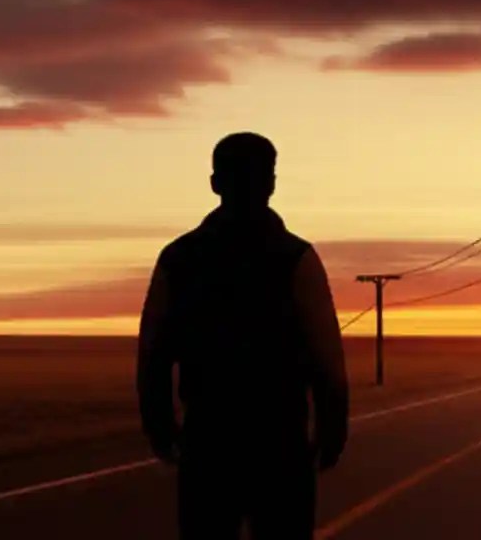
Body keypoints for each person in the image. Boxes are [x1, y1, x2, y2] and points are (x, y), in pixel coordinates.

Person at [137, 132, 349, 539]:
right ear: (271, 183)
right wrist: (331, 428)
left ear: (216, 183)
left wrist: (159, 425)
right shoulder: (296, 258)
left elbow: (152, 356)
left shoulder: (178, 258)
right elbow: (328, 360)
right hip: (279, 443)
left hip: (209, 442)